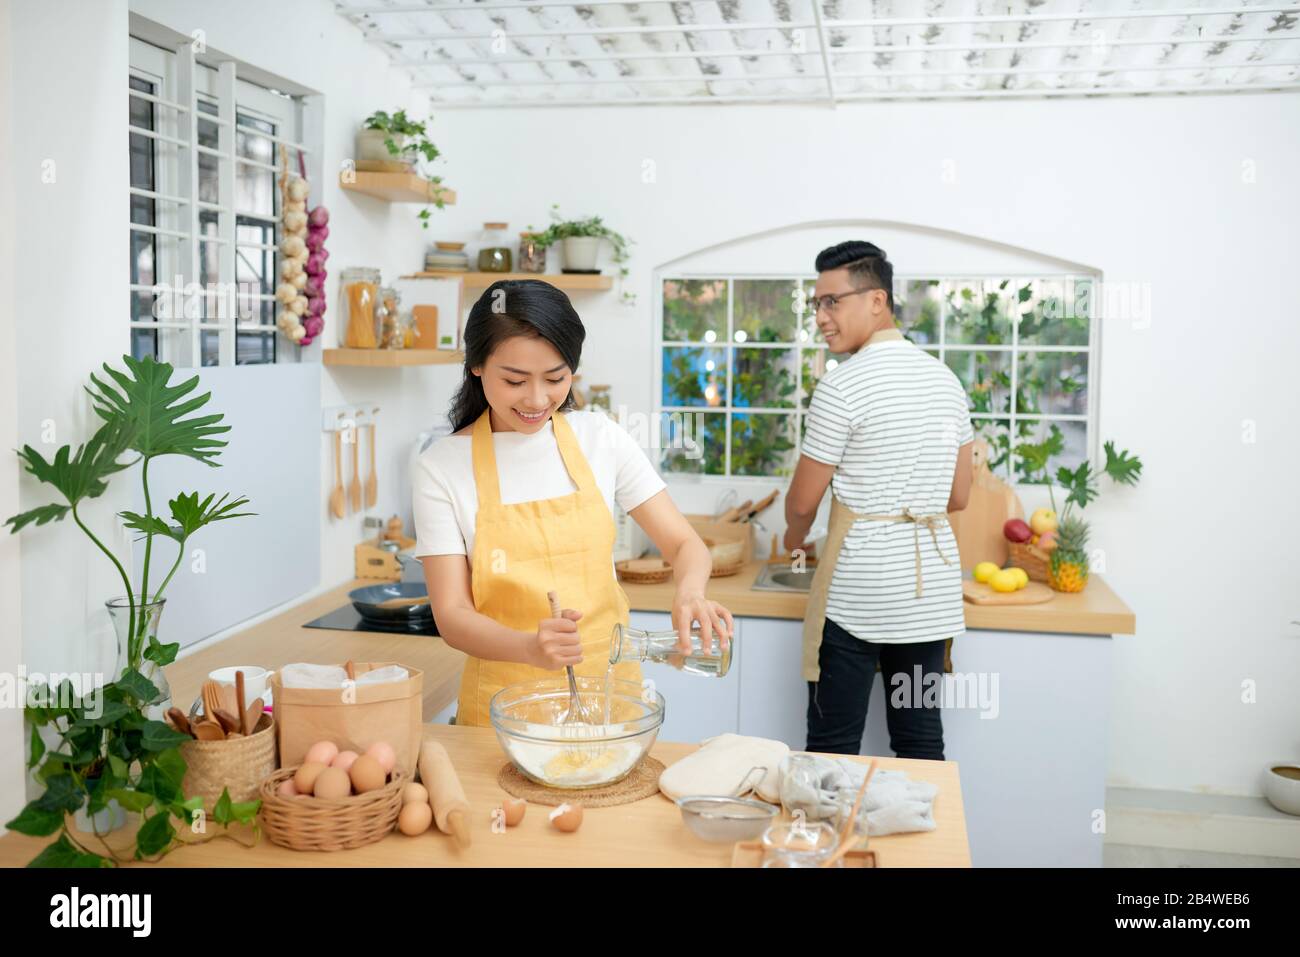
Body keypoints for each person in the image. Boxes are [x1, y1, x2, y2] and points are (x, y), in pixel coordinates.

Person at [413, 279, 734, 727]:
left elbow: (684, 545)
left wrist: (690, 592)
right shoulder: (442, 466)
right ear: (476, 367)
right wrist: (529, 647)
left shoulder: (599, 438)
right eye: (515, 380)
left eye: (556, 378)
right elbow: (452, 615)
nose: (537, 399)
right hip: (502, 714)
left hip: (610, 702)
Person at [784, 241, 974, 759]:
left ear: (877, 300)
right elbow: (959, 496)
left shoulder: (842, 386)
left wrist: (793, 539)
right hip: (928, 597)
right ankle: (921, 843)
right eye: (816, 304)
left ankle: (826, 842)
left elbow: (803, 503)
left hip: (856, 595)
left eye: (832, 301)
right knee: (919, 741)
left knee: (832, 746)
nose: (821, 317)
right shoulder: (946, 381)